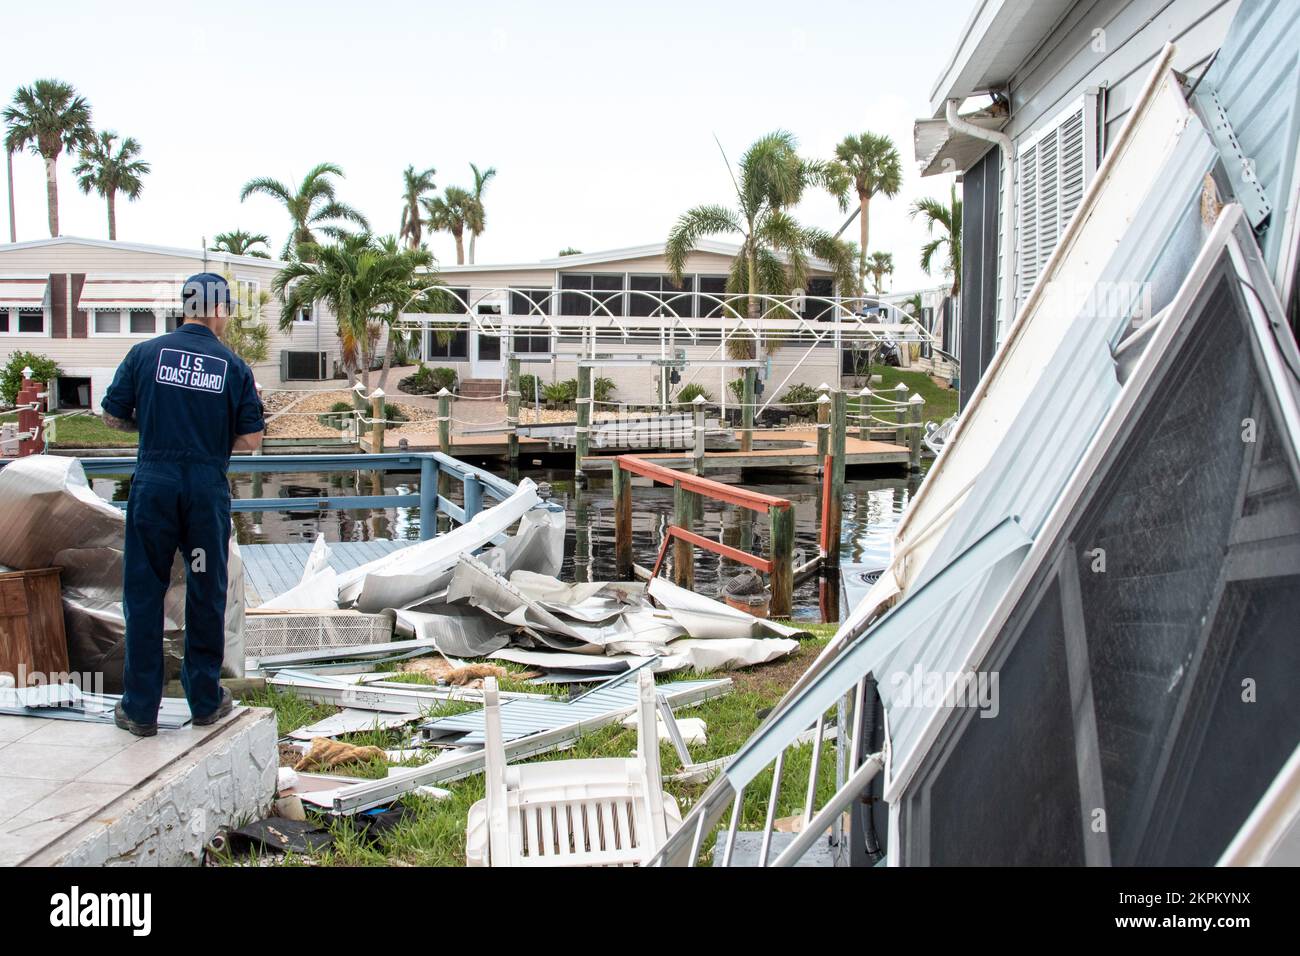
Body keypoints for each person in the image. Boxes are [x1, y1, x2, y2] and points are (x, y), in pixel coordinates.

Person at [101, 273, 265, 736]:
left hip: (153, 486)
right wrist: (211, 439)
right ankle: (206, 700)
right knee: (203, 591)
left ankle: (139, 710)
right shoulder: (232, 366)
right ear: (219, 310)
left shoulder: (145, 354)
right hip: (203, 491)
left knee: (144, 592)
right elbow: (252, 438)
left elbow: (113, 416)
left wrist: (154, 426)